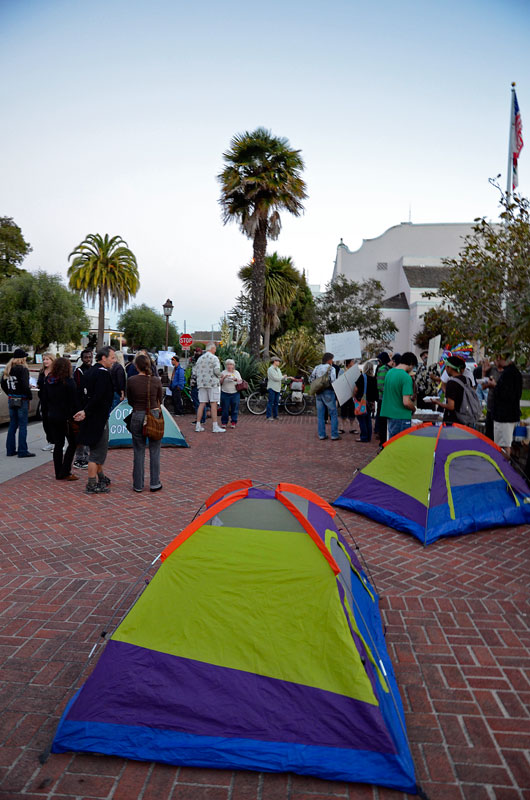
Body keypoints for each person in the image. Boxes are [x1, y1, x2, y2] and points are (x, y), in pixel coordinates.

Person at [73, 346, 116, 494]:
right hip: (98, 418)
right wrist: (86, 410)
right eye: (112, 357)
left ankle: (101, 477)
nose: (114, 361)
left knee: (95, 450)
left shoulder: (89, 371)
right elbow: (99, 397)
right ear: (103, 358)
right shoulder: (103, 374)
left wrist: (84, 410)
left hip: (90, 417)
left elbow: (81, 393)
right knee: (97, 454)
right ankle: (92, 484)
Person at [127, 353, 164, 492]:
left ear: (136, 366)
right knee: (155, 450)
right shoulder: (156, 380)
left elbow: (130, 400)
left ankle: (138, 484)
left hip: (137, 413)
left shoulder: (131, 380)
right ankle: (155, 483)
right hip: (153, 414)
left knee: (138, 450)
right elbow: (160, 399)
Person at [44, 357, 79, 481]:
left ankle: (58, 471)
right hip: (66, 417)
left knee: (58, 445)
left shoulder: (49, 380)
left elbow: (45, 398)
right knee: (73, 443)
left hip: (52, 415)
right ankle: (65, 470)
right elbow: (74, 401)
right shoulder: (69, 382)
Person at [1, 349, 35, 458]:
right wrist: (29, 396)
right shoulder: (23, 369)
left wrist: (10, 393)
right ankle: (22, 451)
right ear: (22, 358)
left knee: (13, 425)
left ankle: (10, 450)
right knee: (23, 426)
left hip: (12, 399)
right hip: (22, 399)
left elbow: (3, 383)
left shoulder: (8, 368)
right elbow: (25, 385)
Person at [489, 354, 523, 458]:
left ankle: (504, 465)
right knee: (503, 443)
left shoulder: (509, 374)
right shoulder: (513, 372)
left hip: (504, 416)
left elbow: (506, 394)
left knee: (503, 445)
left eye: (497, 358)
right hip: (508, 415)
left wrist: (495, 385)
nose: (496, 361)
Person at [380, 351, 418, 439]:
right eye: (413, 367)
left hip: (390, 414)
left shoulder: (389, 373)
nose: (412, 369)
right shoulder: (406, 377)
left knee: (393, 442)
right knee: (402, 444)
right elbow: (406, 402)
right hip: (402, 416)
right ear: (411, 364)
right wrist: (414, 409)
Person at [429, 355, 469, 424]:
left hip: (453, 420)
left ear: (450, 367)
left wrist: (437, 402)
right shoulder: (467, 380)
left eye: (446, 367)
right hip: (465, 418)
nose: (445, 369)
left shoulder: (451, 383)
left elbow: (451, 406)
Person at [194, 342, 225, 433]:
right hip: (212, 383)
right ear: (212, 349)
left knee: (202, 403)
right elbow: (216, 371)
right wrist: (221, 375)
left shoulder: (200, 359)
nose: (215, 350)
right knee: (213, 403)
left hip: (201, 384)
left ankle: (198, 425)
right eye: (214, 349)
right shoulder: (214, 358)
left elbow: (195, 372)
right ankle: (215, 426)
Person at [309, 353, 340, 440]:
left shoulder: (317, 367)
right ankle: (334, 435)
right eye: (332, 359)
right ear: (329, 360)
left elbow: (311, 379)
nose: (332, 361)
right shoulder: (331, 368)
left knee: (320, 415)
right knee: (333, 414)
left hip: (318, 392)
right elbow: (333, 381)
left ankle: (321, 435)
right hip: (328, 392)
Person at [72, 349, 93, 469]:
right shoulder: (78, 372)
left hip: (90, 406)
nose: (88, 359)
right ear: (82, 358)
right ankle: (79, 458)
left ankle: (86, 456)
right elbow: (78, 390)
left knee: (88, 433)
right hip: (81, 407)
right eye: (86, 357)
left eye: (90, 357)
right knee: (81, 433)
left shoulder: (93, 370)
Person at [354, 362, 378, 442]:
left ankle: (364, 437)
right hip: (370, 402)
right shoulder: (374, 379)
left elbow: (356, 389)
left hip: (362, 402)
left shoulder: (362, 377)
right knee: (368, 420)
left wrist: (354, 396)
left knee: (362, 419)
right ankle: (368, 437)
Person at [37, 352, 56, 451]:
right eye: (44, 359)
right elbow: (39, 383)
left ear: (52, 360)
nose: (45, 361)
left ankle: (58, 443)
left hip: (54, 401)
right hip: (43, 401)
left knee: (54, 422)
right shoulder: (41, 372)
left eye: (47, 359)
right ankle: (50, 441)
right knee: (46, 423)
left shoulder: (56, 372)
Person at [220, 358, 242, 428]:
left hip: (235, 393)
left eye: (231, 364)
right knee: (225, 409)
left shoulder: (236, 373)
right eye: (228, 364)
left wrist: (235, 379)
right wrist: (224, 378)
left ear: (233, 365)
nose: (229, 366)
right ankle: (224, 422)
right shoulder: (223, 372)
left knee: (235, 408)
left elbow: (240, 382)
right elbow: (220, 382)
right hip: (225, 392)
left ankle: (233, 422)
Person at [375, 352, 391, 444]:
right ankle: (382, 442)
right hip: (383, 399)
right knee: (383, 422)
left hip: (386, 399)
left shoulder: (388, 369)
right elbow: (380, 386)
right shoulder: (382, 369)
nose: (378, 362)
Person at [338, 359, 358, 434]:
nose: (353, 363)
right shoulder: (342, 370)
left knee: (352, 411)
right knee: (343, 410)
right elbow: (339, 380)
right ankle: (342, 427)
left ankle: (352, 427)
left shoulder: (354, 371)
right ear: (349, 363)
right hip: (344, 394)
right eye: (352, 361)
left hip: (352, 394)